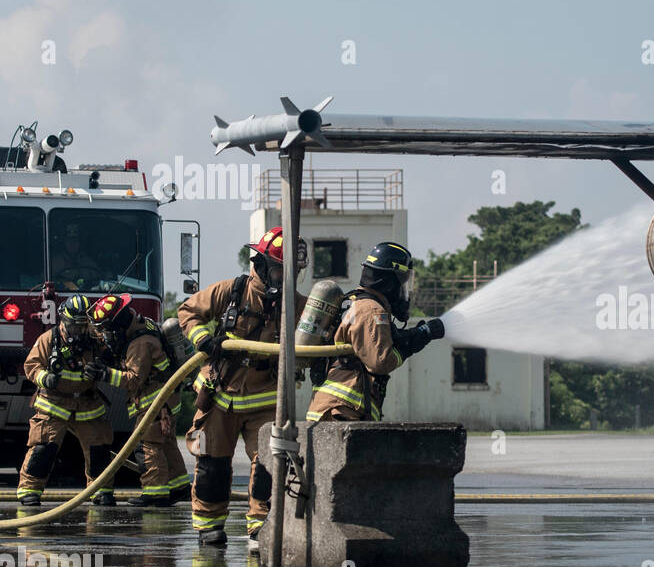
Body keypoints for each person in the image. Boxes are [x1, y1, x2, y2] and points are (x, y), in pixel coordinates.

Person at [178, 227, 306, 547]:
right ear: (261, 266)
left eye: (291, 272)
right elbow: (188, 312)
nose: (284, 279)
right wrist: (203, 339)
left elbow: (322, 335)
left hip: (265, 398)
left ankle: (260, 527)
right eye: (279, 270)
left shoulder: (297, 304)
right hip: (220, 393)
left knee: (268, 464)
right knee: (212, 463)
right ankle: (208, 525)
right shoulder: (233, 291)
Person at [306, 242, 443, 422]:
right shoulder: (371, 311)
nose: (403, 290)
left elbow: (388, 340)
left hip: (339, 410)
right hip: (342, 411)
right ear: (389, 281)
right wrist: (417, 341)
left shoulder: (359, 302)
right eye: (401, 281)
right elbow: (381, 361)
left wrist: (420, 334)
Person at [87, 293, 190, 507]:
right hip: (167, 398)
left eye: (107, 328)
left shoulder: (139, 343)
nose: (106, 334)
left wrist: (105, 374)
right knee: (167, 443)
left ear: (119, 323)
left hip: (155, 401)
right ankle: (179, 487)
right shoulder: (144, 325)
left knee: (147, 444)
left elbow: (133, 380)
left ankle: (155, 493)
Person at [17, 295, 117, 506]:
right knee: (43, 448)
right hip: (54, 404)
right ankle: (29, 490)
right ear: (63, 320)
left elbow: (113, 359)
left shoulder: (95, 340)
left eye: (83, 325)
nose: (79, 330)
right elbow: (31, 366)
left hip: (88, 405)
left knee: (98, 450)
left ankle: (101, 491)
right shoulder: (48, 339)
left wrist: (101, 369)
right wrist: (45, 378)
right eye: (74, 325)